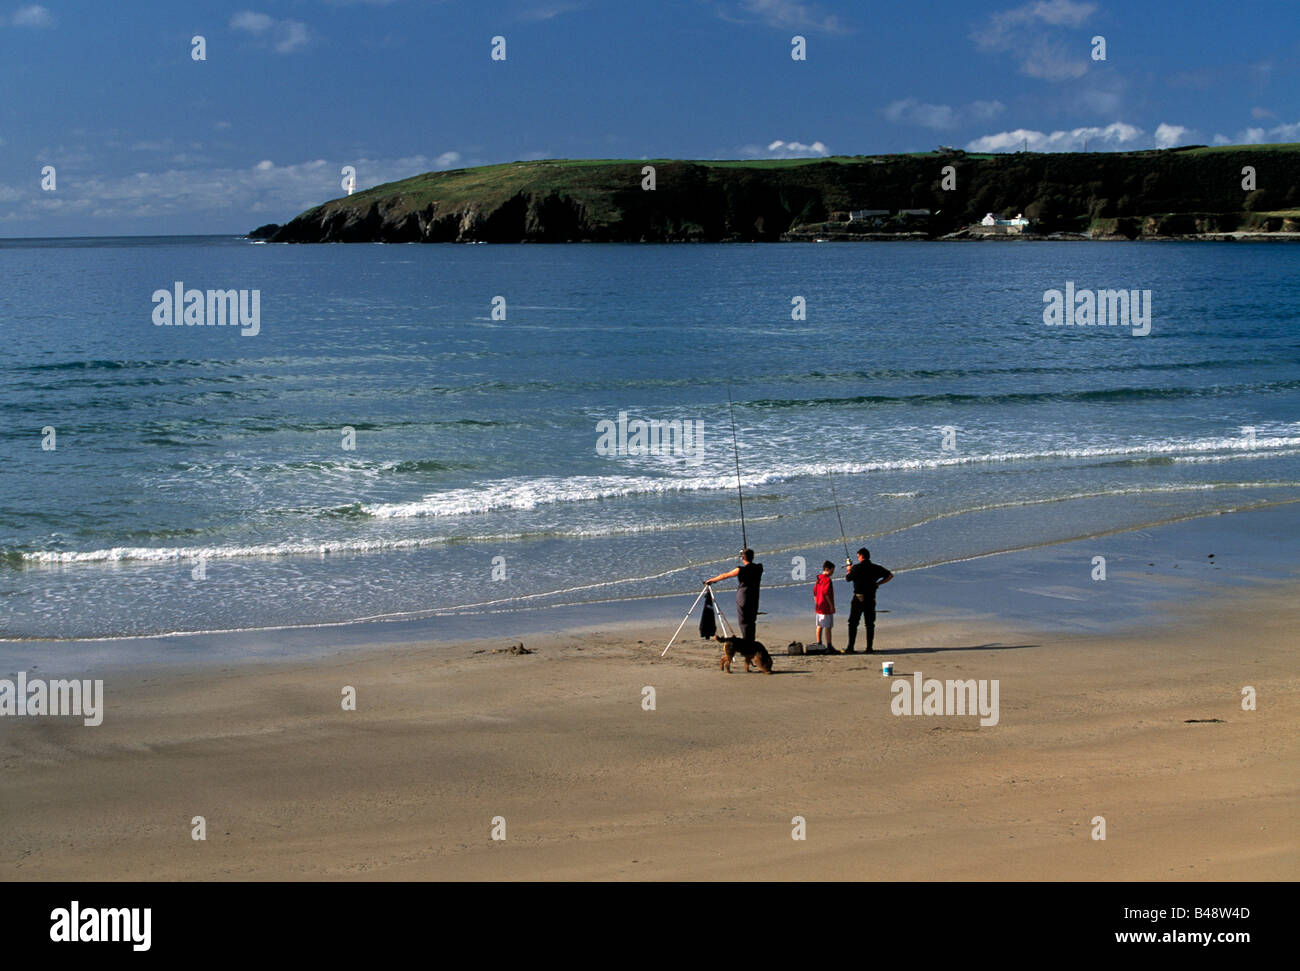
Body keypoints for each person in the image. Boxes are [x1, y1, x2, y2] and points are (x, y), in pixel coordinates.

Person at [705, 548, 763, 641]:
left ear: (743, 558)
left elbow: (725, 575)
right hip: (754, 597)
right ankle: (750, 641)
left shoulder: (740, 569)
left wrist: (711, 580)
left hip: (743, 597)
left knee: (743, 621)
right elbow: (751, 566)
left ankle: (747, 643)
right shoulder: (759, 567)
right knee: (751, 620)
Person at [843, 547, 892, 654]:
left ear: (861, 556)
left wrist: (848, 570)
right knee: (869, 623)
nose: (858, 558)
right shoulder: (875, 567)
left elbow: (847, 578)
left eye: (858, 556)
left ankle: (850, 647)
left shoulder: (856, 568)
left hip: (858, 598)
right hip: (871, 598)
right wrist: (879, 583)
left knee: (853, 623)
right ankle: (869, 648)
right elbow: (890, 575)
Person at [813, 560, 838, 653]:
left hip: (819, 606)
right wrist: (831, 606)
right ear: (827, 569)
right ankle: (829, 645)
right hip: (825, 607)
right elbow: (826, 593)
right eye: (832, 571)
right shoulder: (827, 580)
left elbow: (815, 593)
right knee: (828, 627)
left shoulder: (818, 579)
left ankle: (819, 643)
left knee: (819, 625)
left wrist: (817, 603)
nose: (832, 573)